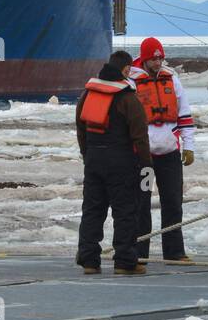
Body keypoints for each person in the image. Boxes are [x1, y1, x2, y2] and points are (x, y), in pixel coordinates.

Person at [75, 51, 152, 276]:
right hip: (121, 161)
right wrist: (146, 165)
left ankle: (89, 260)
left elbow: (81, 129)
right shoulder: (128, 98)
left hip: (93, 160)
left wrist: (87, 155)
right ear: (126, 70)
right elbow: (140, 136)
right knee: (125, 211)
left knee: (92, 210)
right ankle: (125, 262)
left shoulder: (87, 95)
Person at [128, 36, 196, 265]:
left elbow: (184, 114)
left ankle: (175, 251)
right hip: (142, 157)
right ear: (145, 58)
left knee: (173, 202)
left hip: (169, 155)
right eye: (153, 58)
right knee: (140, 203)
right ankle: (140, 252)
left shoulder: (172, 80)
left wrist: (189, 147)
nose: (158, 62)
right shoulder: (131, 82)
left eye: (160, 58)